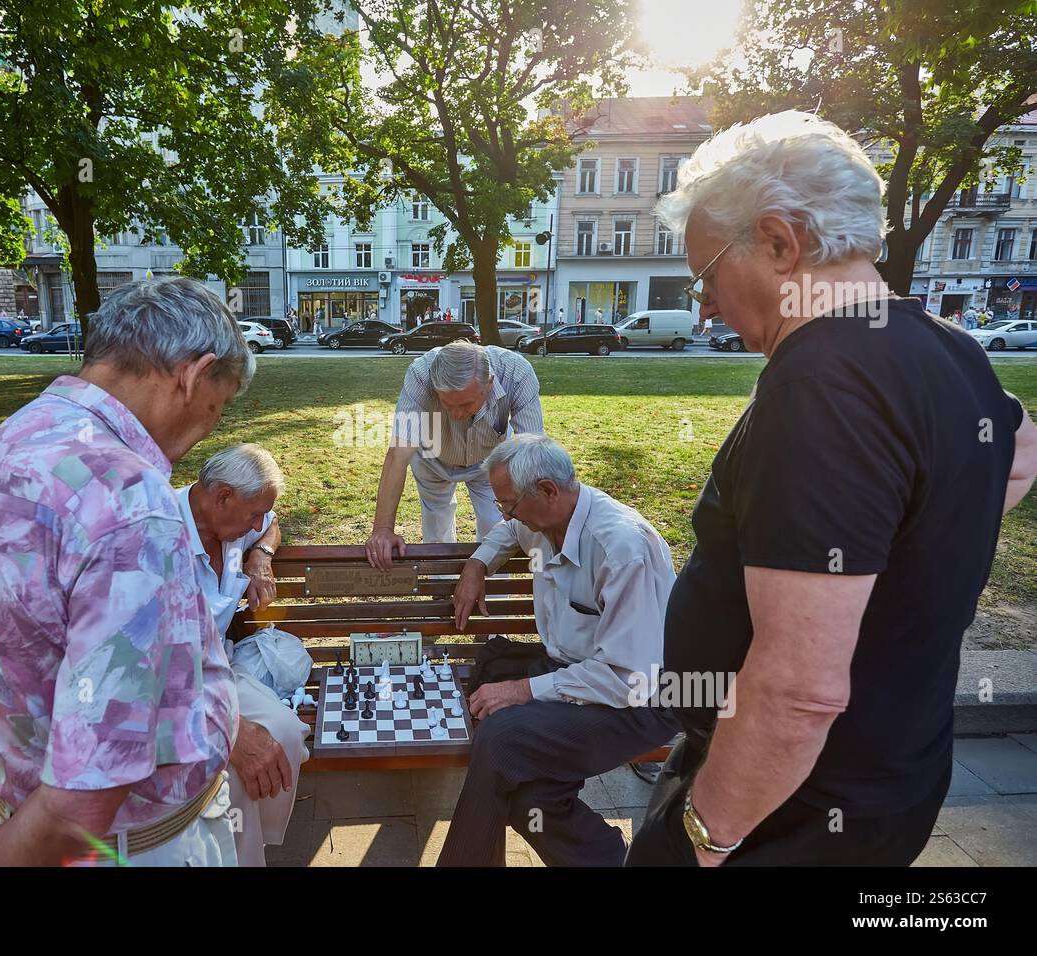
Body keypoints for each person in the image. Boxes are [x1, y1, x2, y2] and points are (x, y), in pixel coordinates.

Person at [625, 110, 1037, 867]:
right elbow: (1017, 447)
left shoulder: (821, 384)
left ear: (782, 243)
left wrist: (704, 838)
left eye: (707, 275)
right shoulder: (951, 350)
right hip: (894, 780)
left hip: (791, 807)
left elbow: (798, 693)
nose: (704, 305)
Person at [0, 277, 256, 867]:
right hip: (126, 848)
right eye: (214, 411)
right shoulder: (128, 494)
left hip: (9, 826)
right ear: (194, 374)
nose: (201, 437)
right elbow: (84, 793)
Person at [436, 435, 680, 866]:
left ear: (548, 490)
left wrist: (524, 691)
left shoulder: (620, 548)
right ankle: (604, 858)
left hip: (641, 699)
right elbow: (508, 529)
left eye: (508, 503)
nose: (506, 514)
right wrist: (477, 564)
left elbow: (627, 678)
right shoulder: (544, 519)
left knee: (501, 738)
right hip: (579, 674)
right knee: (525, 791)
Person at [177, 444, 309, 866]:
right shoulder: (160, 536)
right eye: (253, 514)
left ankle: (260, 840)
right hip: (172, 688)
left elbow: (272, 525)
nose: (258, 523)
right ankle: (242, 852)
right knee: (232, 772)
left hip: (220, 668)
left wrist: (261, 554)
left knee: (286, 736)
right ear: (221, 497)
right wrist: (231, 731)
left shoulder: (234, 520)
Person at [365, 340, 543, 567]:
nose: (457, 414)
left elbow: (531, 451)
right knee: (436, 531)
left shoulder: (517, 373)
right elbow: (398, 453)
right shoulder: (421, 374)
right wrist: (382, 529)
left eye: (467, 404)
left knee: (496, 528)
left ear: (488, 384)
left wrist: (520, 506)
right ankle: (441, 591)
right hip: (433, 457)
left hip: (490, 459)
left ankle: (492, 593)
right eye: (448, 405)